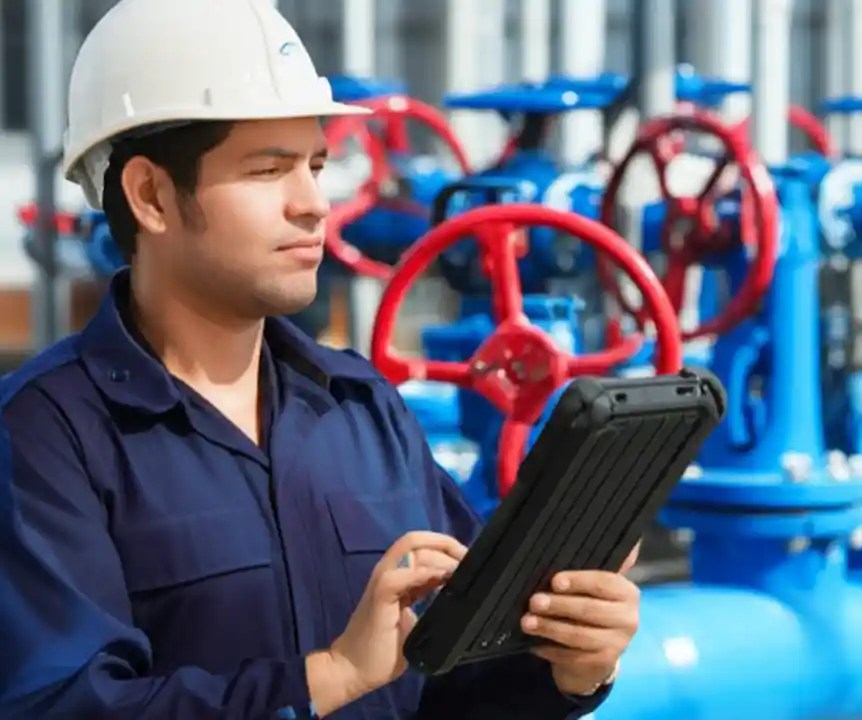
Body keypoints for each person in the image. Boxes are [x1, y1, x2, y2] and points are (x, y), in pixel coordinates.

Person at [0, 1, 640, 718]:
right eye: (268, 170)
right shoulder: (44, 438)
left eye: (316, 164)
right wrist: (328, 678)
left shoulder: (363, 411)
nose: (313, 204)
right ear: (150, 194)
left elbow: (449, 686)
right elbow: (61, 705)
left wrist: (566, 667)